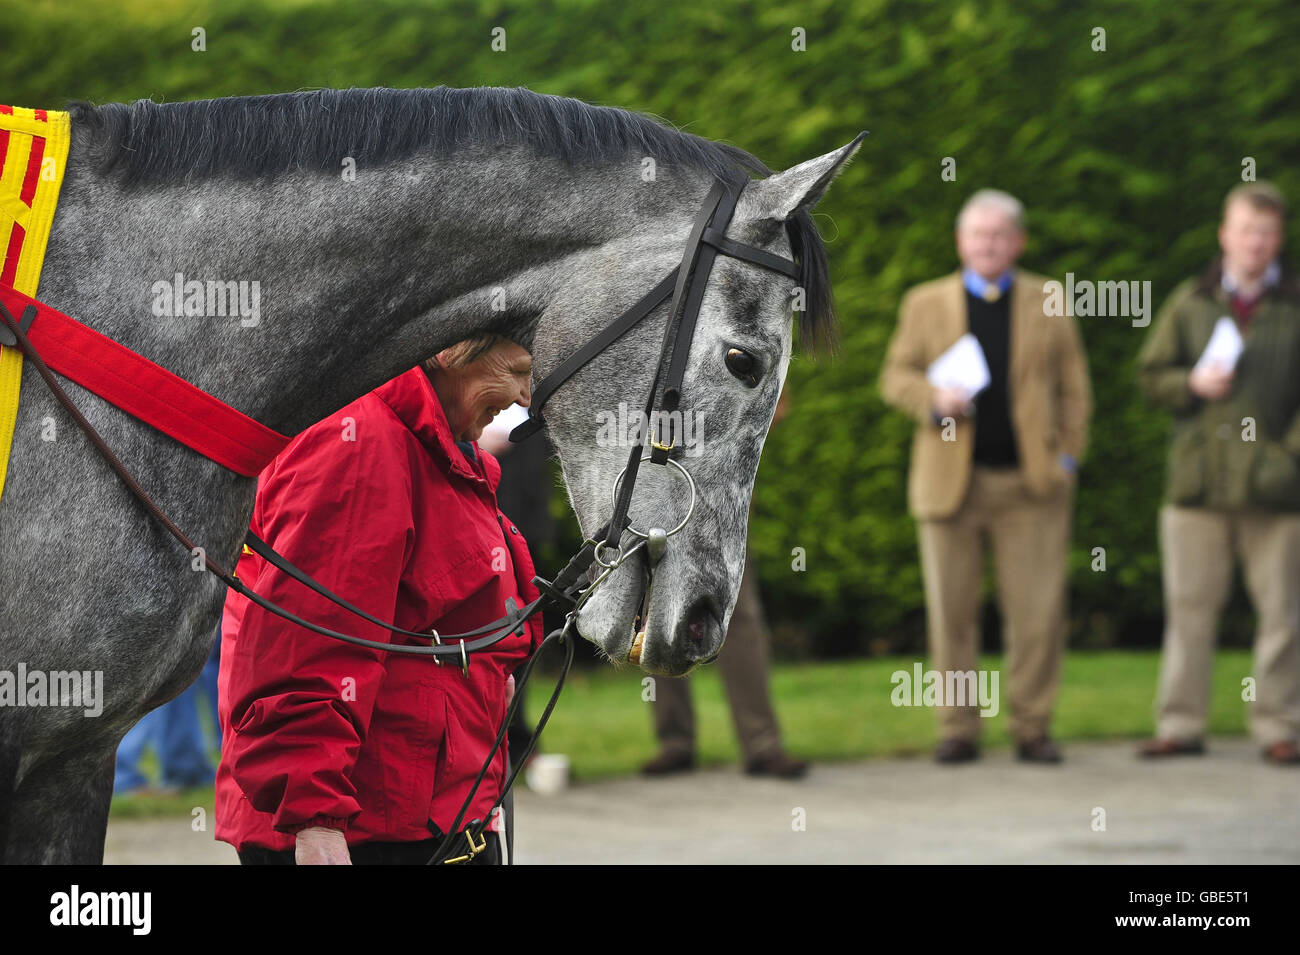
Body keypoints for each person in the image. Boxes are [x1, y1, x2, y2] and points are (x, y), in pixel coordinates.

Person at [216, 335, 542, 864]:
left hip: (435, 815)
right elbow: (306, 646)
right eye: (518, 371)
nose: (526, 396)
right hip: (364, 834)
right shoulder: (359, 438)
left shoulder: (430, 438)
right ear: (451, 348)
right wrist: (315, 822)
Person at [878, 189, 1091, 764]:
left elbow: (1074, 389)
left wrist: (1067, 458)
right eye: (978, 234)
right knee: (952, 615)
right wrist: (932, 398)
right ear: (961, 242)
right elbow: (894, 376)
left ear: (1018, 242)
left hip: (1031, 485)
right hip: (951, 485)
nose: (988, 244)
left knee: (1037, 615)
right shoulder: (925, 302)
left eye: (999, 235)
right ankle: (958, 729)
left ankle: (1032, 727)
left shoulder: (1050, 299)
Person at [1137, 181, 1300, 765]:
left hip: (1278, 491)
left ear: (1278, 239)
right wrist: (1190, 383)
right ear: (1225, 235)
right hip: (1197, 487)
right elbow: (1151, 376)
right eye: (1246, 230)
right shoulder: (1190, 301)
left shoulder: (1295, 304)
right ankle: (1180, 725)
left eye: (1266, 232)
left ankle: (1279, 727)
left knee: (1283, 616)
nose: (1255, 242)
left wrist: (1286, 457)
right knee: (1189, 611)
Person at [640, 386, 809, 779]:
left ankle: (762, 744)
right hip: (654, 483)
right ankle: (675, 742)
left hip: (720, 491)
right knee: (658, 614)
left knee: (738, 616)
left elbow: (772, 394)